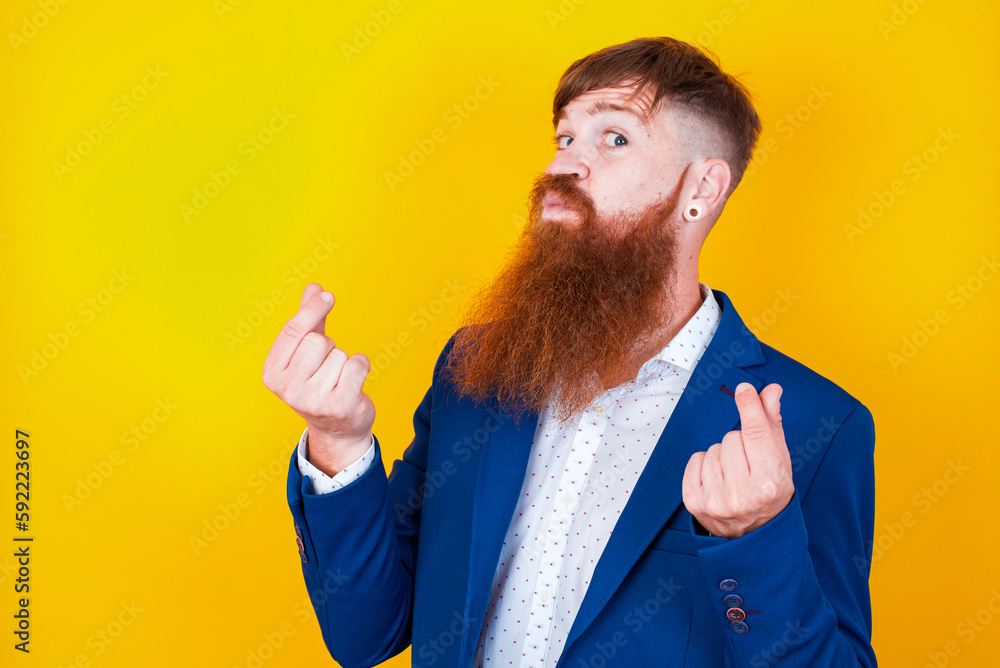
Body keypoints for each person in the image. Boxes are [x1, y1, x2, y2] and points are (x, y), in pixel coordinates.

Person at [264, 36, 877, 668]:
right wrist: (336, 442)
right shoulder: (475, 370)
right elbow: (367, 635)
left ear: (703, 187)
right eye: (564, 139)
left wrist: (753, 540)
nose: (563, 166)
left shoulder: (816, 425)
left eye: (614, 139)